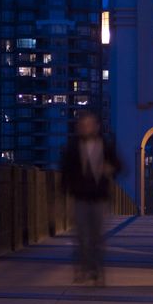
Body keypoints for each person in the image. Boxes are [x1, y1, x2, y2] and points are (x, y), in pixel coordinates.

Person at [60, 112, 121, 286]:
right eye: (83, 124)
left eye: (89, 124)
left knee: (97, 237)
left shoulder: (106, 146)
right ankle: (83, 269)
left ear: (96, 126)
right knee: (81, 237)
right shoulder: (72, 148)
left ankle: (96, 270)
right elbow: (65, 173)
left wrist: (110, 168)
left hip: (99, 197)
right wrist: (64, 195)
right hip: (79, 197)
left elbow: (119, 165)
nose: (86, 127)